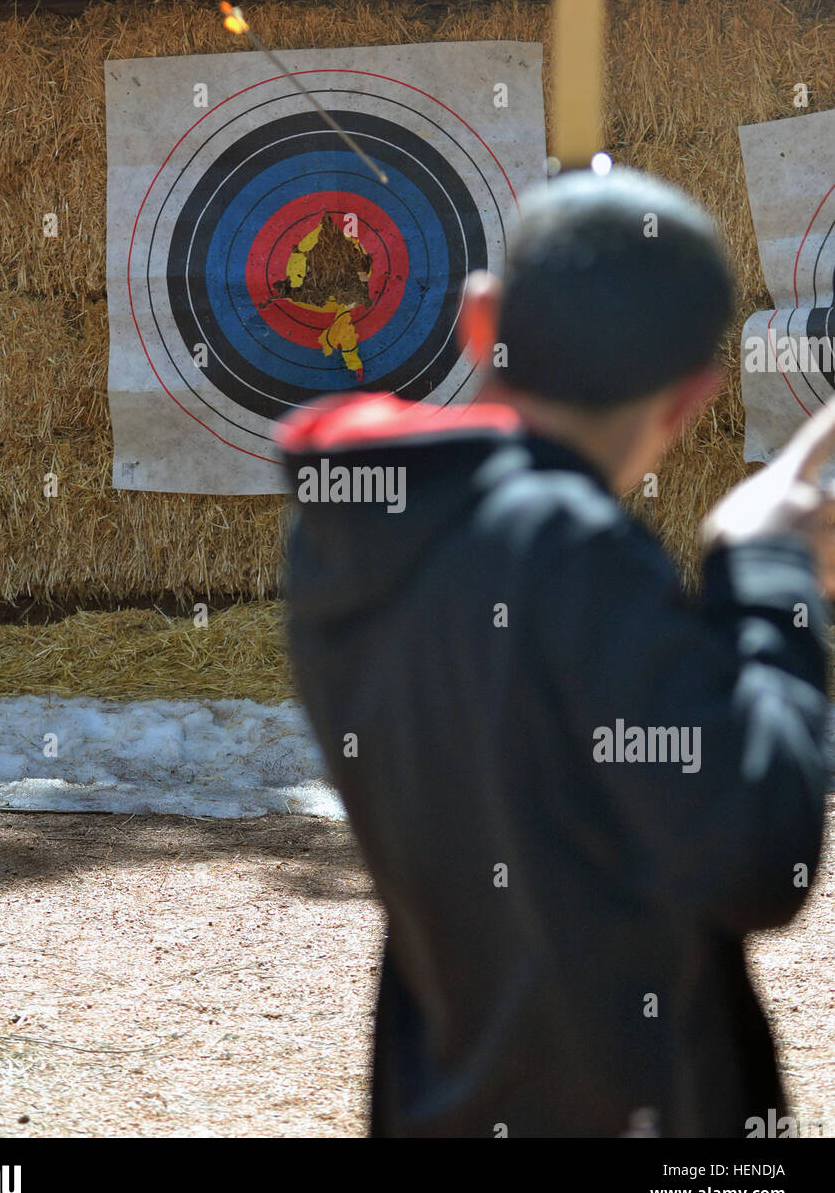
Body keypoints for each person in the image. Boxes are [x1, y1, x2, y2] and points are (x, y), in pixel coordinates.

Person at [275, 167, 833, 1138]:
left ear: (477, 319)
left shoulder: (353, 520)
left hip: (434, 1091)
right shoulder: (570, 549)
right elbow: (756, 855)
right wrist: (768, 577)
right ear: (692, 397)